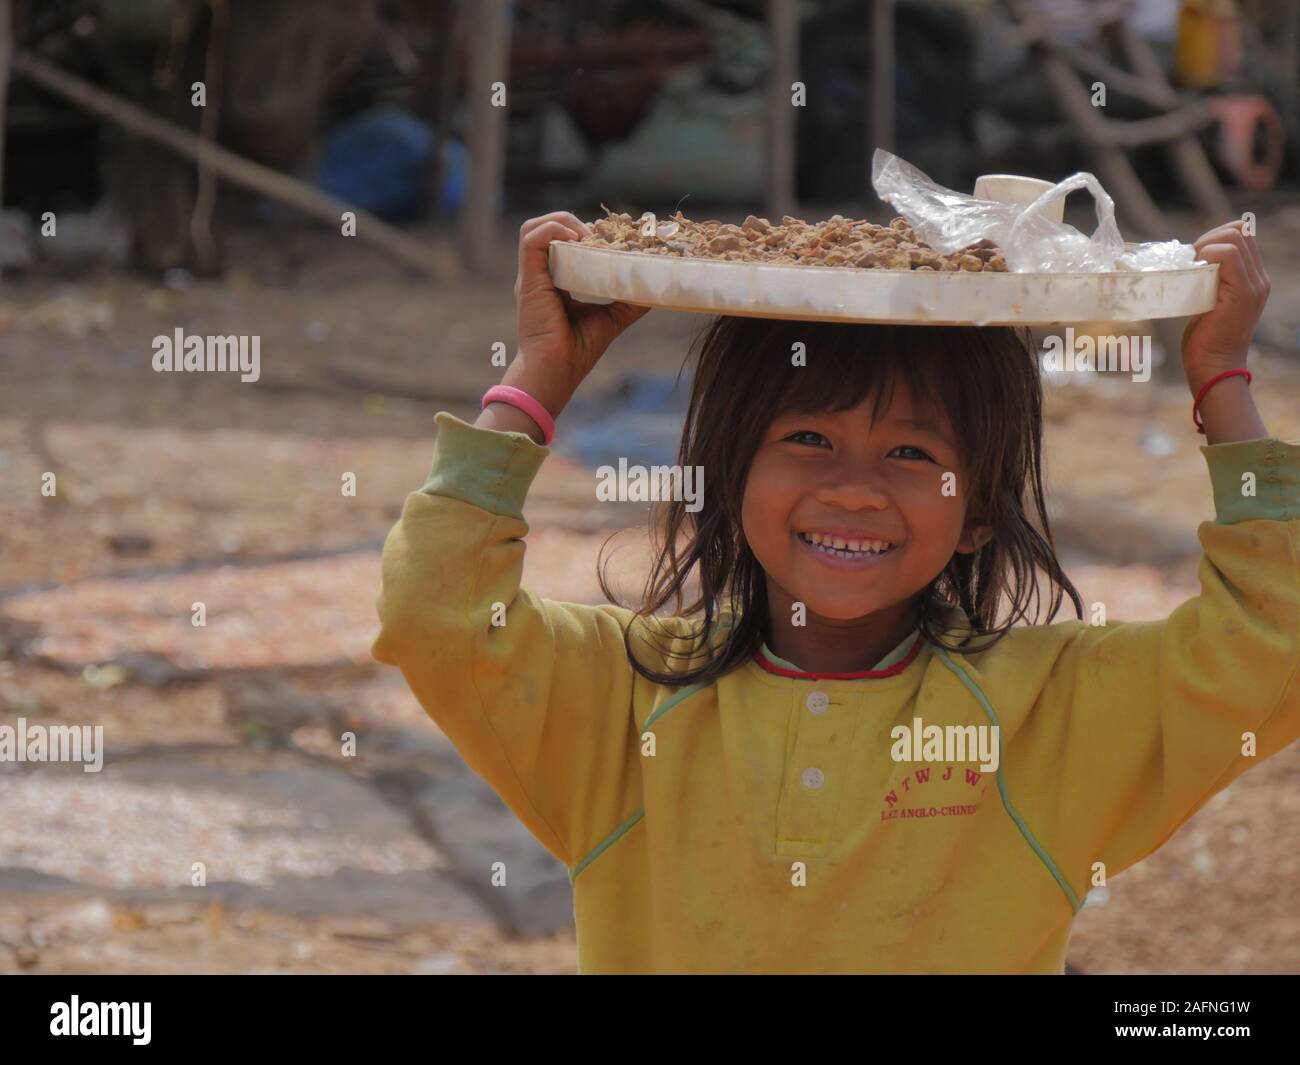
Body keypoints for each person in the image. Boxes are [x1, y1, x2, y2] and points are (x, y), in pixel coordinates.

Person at [371, 212, 1294, 973]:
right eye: (809, 439)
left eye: (911, 454)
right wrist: (540, 377)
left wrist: (1222, 383)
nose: (855, 488)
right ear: (730, 471)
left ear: (976, 513)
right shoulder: (628, 699)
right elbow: (434, 618)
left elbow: (1275, 645)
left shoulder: (1048, 715)